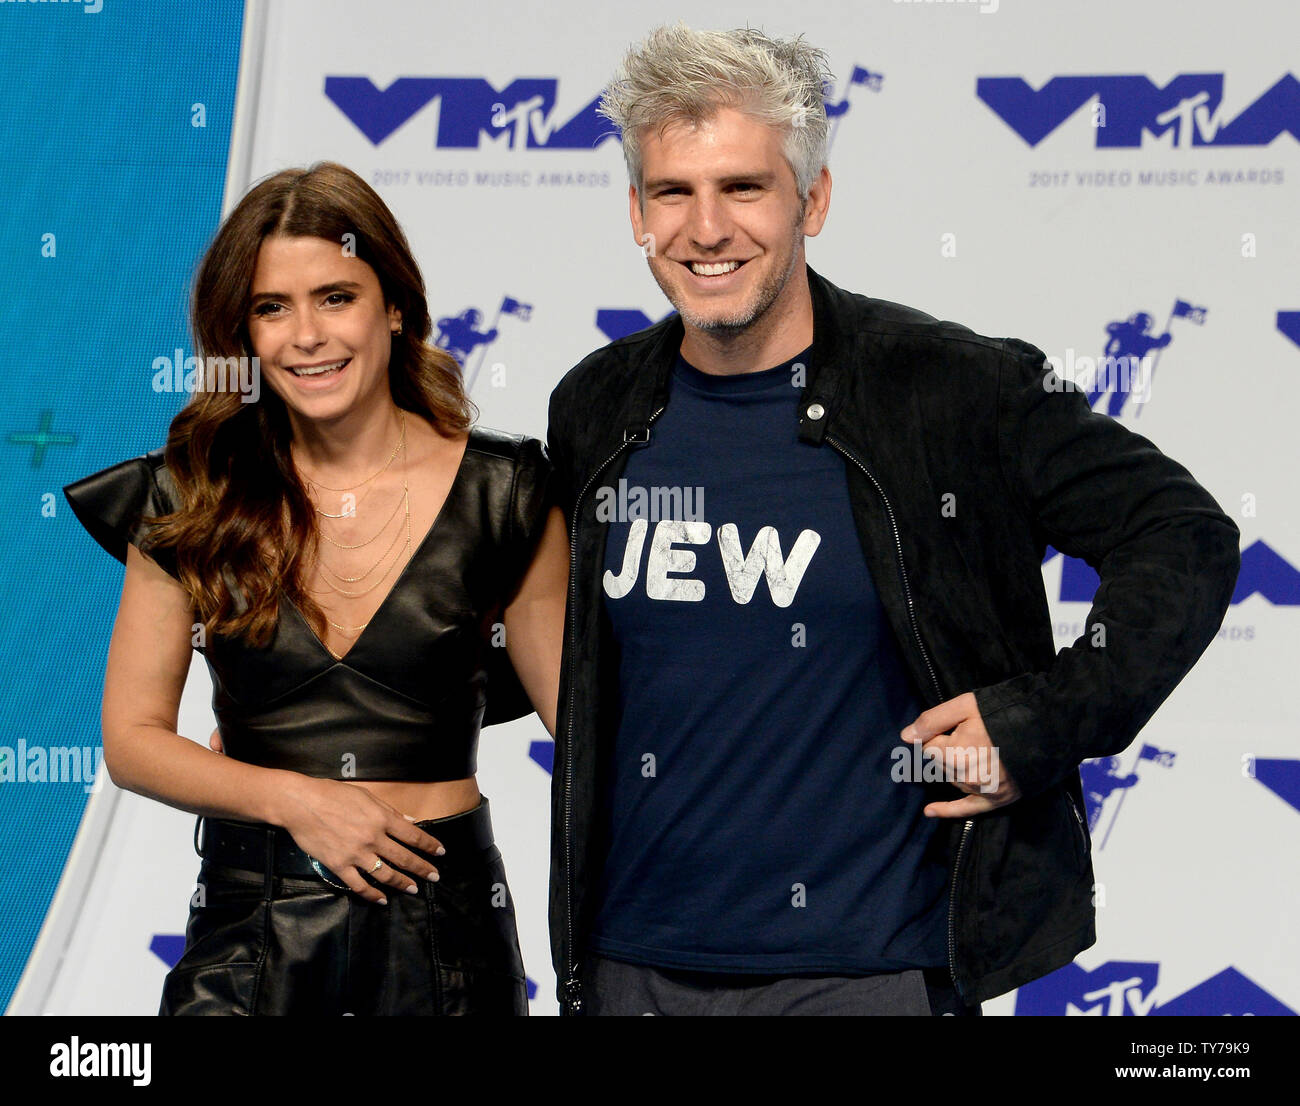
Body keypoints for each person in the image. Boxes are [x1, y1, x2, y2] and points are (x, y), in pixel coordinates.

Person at [543, 25, 1240, 1016]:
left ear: (811, 200)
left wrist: (1043, 719)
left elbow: (1184, 535)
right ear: (636, 211)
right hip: (631, 967)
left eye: (743, 188)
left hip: (869, 971)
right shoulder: (597, 406)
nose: (706, 228)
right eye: (673, 192)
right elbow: (531, 640)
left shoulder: (952, 389)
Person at [64, 161, 568, 1016]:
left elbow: (587, 726)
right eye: (272, 307)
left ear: (394, 307)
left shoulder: (506, 492)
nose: (306, 335)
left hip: (443, 935)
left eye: (336, 297)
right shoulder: (188, 497)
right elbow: (133, 739)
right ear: (243, 335)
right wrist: (296, 800)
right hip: (250, 925)